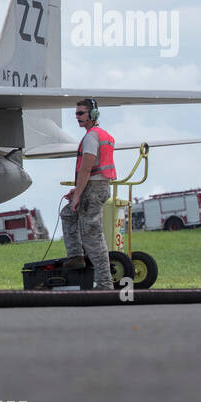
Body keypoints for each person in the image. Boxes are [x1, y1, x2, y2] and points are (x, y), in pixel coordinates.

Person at [60, 98, 117, 289]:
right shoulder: (103, 135)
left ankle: (105, 283)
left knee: (92, 236)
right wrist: (78, 190)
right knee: (68, 214)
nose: (77, 117)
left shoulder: (92, 137)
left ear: (93, 115)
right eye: (76, 113)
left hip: (93, 190)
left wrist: (77, 196)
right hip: (96, 186)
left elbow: (86, 168)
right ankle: (76, 256)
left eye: (81, 113)